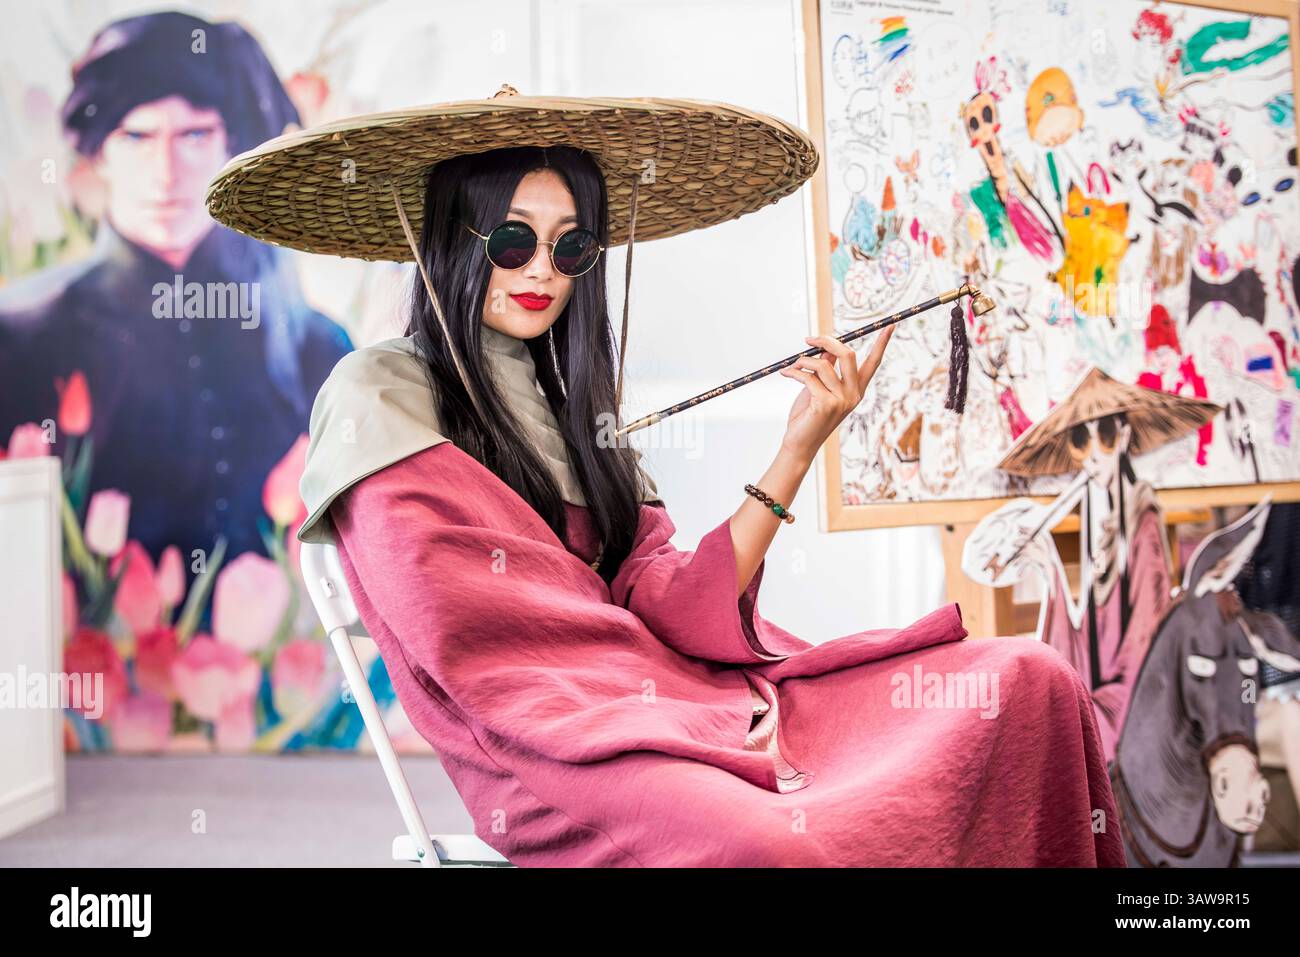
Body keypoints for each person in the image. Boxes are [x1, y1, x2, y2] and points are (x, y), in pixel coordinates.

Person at [213, 87, 1125, 866]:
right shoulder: (383, 393)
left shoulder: (578, 411)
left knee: (1029, 678)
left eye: (570, 247)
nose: (543, 270)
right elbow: (474, 640)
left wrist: (800, 442)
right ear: (454, 239)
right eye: (513, 240)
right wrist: (679, 706)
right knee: (770, 847)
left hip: (680, 703)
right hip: (560, 759)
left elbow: (673, 606)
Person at [0, 11, 353, 563]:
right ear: (99, 152)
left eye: (194, 134)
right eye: (137, 136)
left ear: (229, 143)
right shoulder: (19, 339)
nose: (166, 170)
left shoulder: (318, 347)